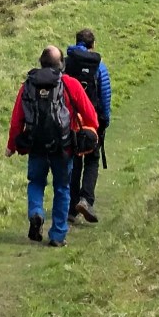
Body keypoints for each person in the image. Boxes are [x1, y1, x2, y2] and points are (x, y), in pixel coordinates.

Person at [7, 43, 99, 247]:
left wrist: (11, 146)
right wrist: (90, 132)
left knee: (36, 183)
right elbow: (91, 114)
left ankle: (36, 213)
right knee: (62, 188)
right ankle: (57, 235)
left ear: (41, 63)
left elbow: (17, 120)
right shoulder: (70, 84)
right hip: (63, 147)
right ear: (62, 64)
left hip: (35, 145)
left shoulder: (28, 85)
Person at [64, 28, 112, 223]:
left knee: (74, 162)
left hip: (71, 121)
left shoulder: (67, 64)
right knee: (92, 159)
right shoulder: (99, 65)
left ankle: (71, 209)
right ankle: (86, 200)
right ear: (93, 45)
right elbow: (105, 94)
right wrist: (104, 120)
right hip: (93, 122)